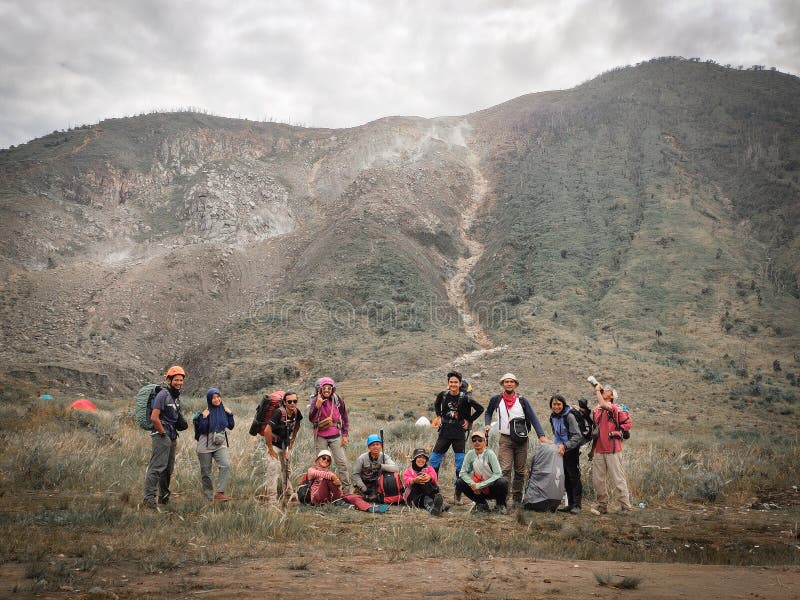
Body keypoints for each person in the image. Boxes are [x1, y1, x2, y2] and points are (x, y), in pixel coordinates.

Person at [483, 373, 551, 506]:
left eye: (511, 382)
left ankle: (517, 499)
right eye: (506, 382)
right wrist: (487, 423)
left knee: (519, 471)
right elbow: (488, 412)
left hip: (522, 440)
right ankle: (503, 499)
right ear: (502, 384)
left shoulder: (522, 401)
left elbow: (533, 417)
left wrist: (541, 436)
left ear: (516, 384)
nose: (509, 384)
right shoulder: (496, 399)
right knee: (505, 470)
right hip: (505, 439)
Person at [429, 371, 484, 503]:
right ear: (448, 383)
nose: (453, 384)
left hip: (459, 432)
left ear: (460, 384)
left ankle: (457, 492)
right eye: (451, 382)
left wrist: (469, 420)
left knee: (460, 463)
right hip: (445, 432)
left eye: (456, 382)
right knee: (434, 460)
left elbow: (480, 409)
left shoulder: (465, 398)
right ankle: (433, 489)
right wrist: (438, 416)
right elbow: (436, 404)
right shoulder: (443, 395)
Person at [143, 365, 187, 509]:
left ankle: (164, 498)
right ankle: (149, 500)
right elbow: (154, 417)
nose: (179, 382)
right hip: (162, 435)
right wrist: (162, 434)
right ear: (169, 379)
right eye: (176, 380)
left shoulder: (176, 397)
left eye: (181, 380)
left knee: (168, 469)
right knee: (157, 467)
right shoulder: (163, 394)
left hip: (172, 436)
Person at [588, 382, 633, 515]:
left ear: (611, 396)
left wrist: (596, 390)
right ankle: (602, 506)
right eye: (604, 389)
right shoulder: (598, 411)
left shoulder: (612, 407)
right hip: (599, 450)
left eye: (607, 390)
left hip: (613, 449)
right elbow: (596, 433)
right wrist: (592, 451)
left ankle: (626, 507)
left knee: (618, 478)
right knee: (598, 481)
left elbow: (602, 404)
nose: (604, 390)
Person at [308, 377, 351, 493]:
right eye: (324, 388)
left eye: (329, 388)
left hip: (336, 436)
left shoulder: (338, 400)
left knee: (342, 463)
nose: (327, 390)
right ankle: (320, 491)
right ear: (320, 389)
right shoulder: (315, 400)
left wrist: (345, 435)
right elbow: (311, 419)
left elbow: (345, 418)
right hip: (320, 436)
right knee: (321, 465)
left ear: (333, 389)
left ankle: (346, 491)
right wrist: (317, 405)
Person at [261, 390, 303, 506]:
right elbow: (267, 430)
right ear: (285, 402)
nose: (292, 403)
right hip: (274, 445)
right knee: (273, 470)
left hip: (285, 445)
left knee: (286, 470)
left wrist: (293, 439)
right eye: (289, 401)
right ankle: (272, 500)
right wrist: (270, 449)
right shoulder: (279, 413)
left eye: (295, 401)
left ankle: (288, 495)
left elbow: (297, 424)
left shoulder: (296, 412)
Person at [304, 449, 382, 512]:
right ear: (318, 459)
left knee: (353, 496)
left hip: (329, 498)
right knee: (327, 479)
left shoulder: (329, 473)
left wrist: (338, 485)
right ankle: (340, 502)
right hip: (316, 499)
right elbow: (323, 475)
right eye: (323, 458)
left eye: (328, 460)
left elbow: (336, 485)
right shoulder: (311, 470)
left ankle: (369, 508)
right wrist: (334, 477)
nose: (325, 460)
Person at [194, 387, 235, 502]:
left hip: (219, 443)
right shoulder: (205, 412)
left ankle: (220, 492)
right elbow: (202, 429)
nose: (216, 399)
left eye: (218, 397)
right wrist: (204, 417)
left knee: (225, 465)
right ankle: (208, 497)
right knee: (206, 472)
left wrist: (230, 414)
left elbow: (231, 426)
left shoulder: (224, 410)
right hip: (204, 445)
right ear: (209, 399)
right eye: (213, 398)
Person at [456, 430, 509, 513]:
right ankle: (481, 503)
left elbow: (498, 474)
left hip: (491, 488)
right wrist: (472, 484)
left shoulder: (490, 454)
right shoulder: (470, 454)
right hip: (478, 489)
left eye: (480, 440)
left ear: (485, 442)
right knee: (460, 482)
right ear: (471, 442)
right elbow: (463, 472)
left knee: (503, 482)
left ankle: (500, 505)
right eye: (474, 440)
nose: (477, 442)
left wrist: (480, 485)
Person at [548, 394, 584, 514]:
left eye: (559, 404)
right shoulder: (552, 417)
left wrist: (566, 446)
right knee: (566, 478)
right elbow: (557, 434)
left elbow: (577, 436)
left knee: (574, 477)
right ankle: (570, 505)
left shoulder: (569, 416)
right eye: (554, 404)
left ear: (563, 404)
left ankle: (577, 505)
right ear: (551, 405)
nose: (556, 406)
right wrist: (557, 446)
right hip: (560, 451)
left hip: (571, 450)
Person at [352, 434, 400, 503]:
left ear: (381, 446)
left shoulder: (384, 457)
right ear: (369, 447)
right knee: (357, 499)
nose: (375, 447)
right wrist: (363, 488)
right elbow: (355, 475)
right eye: (373, 445)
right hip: (363, 484)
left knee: (375, 499)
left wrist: (381, 466)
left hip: (376, 485)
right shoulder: (362, 458)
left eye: (377, 444)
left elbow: (396, 469)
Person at [403, 448, 447, 515]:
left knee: (426, 481)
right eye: (419, 457)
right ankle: (442, 504)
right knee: (420, 482)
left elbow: (435, 478)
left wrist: (429, 478)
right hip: (415, 497)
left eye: (424, 458)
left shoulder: (429, 468)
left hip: (428, 494)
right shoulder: (408, 470)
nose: (421, 460)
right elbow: (406, 481)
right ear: (414, 459)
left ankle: (436, 508)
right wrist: (414, 480)